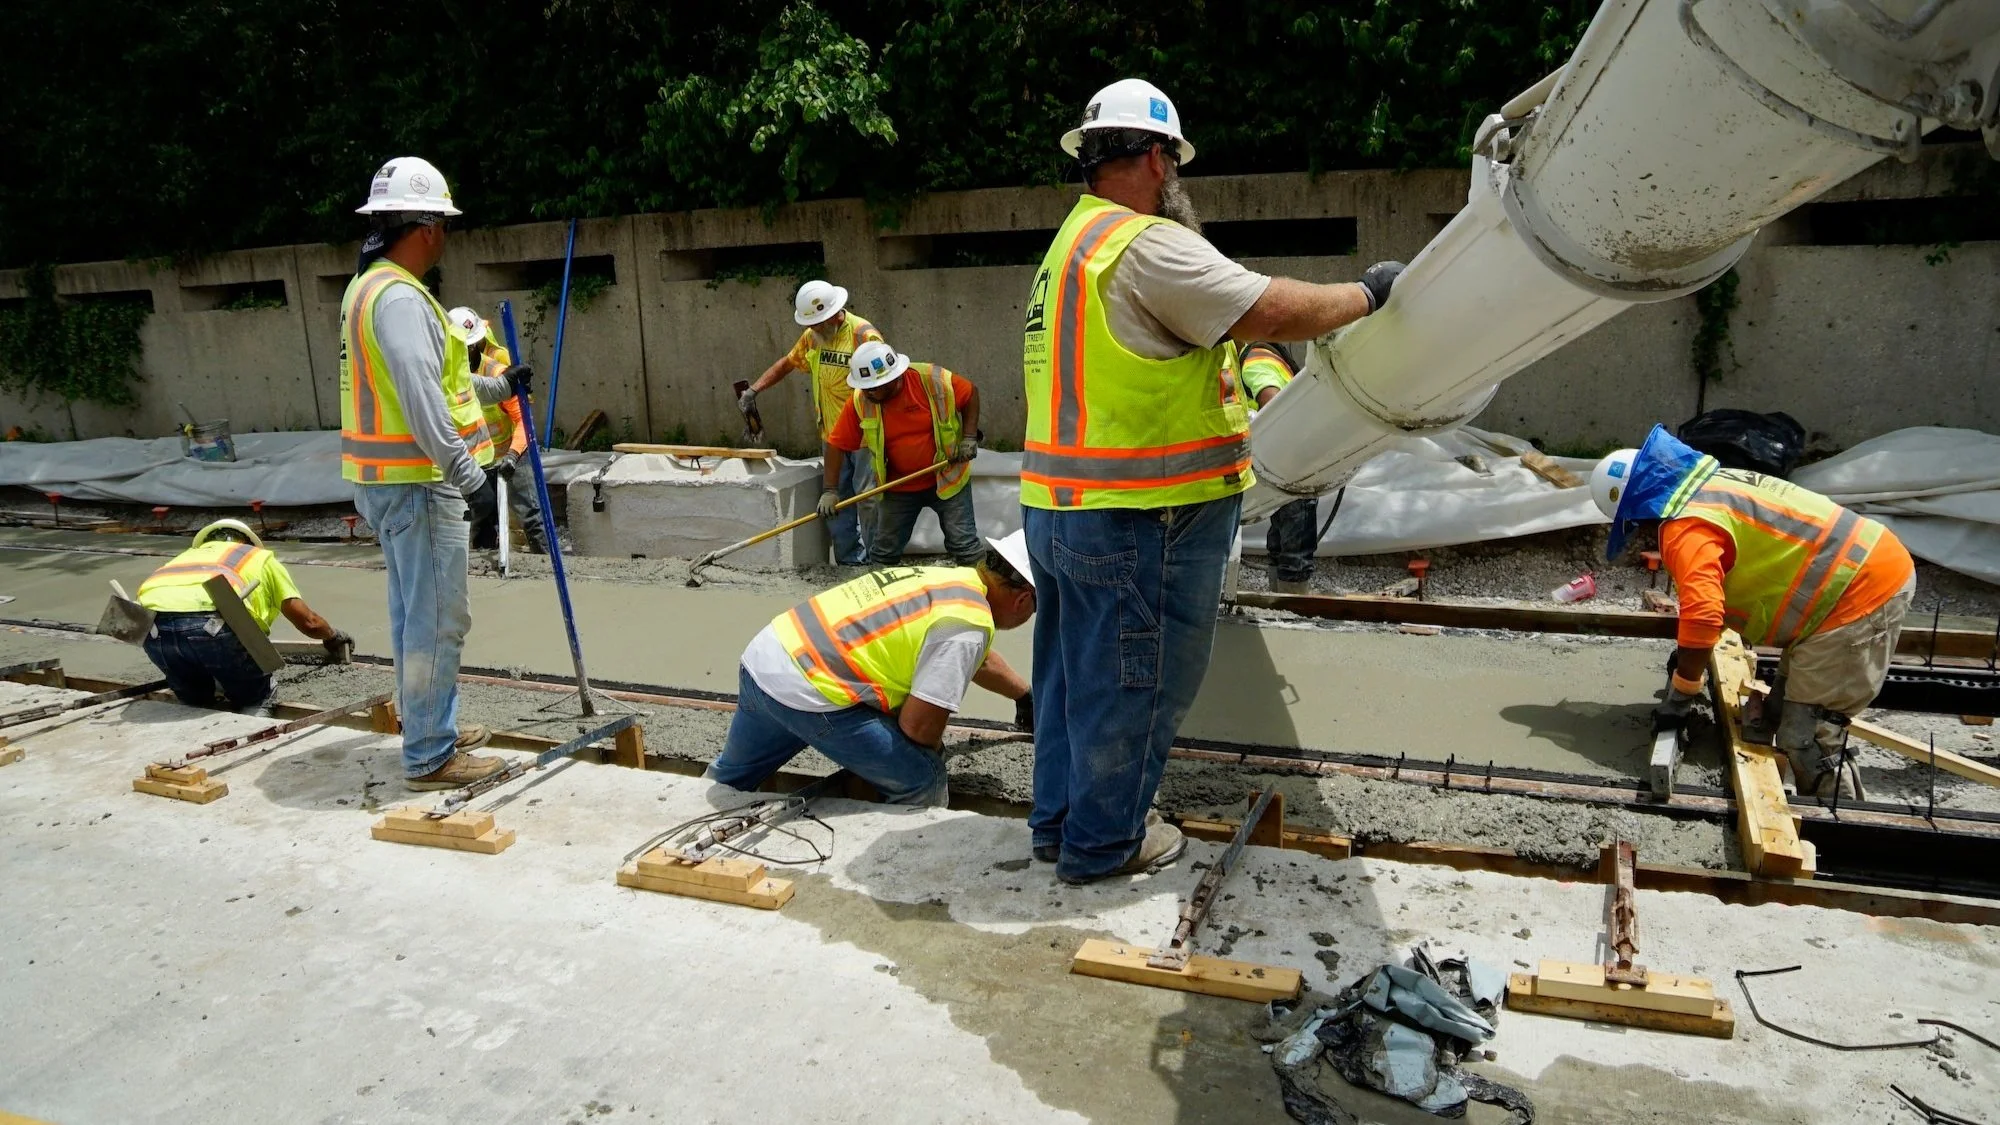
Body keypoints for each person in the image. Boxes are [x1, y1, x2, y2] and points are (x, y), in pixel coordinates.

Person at [1022, 78, 1404, 884]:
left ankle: (1060, 827)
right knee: (1138, 684)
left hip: (1061, 511)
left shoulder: (1070, 249)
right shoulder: (1147, 244)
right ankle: (1104, 844)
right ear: (1160, 159)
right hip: (1142, 519)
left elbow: (1208, 351)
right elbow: (1267, 309)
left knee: (1069, 682)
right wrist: (1367, 295)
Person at [1592, 424, 1916, 797]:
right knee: (1779, 710)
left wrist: (1682, 693)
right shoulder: (1714, 486)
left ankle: (1841, 833)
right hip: (1848, 585)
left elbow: (1703, 615)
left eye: (1636, 525)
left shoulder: (1685, 527)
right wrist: (1688, 656)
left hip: (1860, 593)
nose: (1643, 533)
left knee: (1807, 735)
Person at [340, 156, 529, 791]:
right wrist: (469, 480)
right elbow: (422, 399)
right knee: (437, 619)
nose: (445, 237)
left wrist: (496, 384)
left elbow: (441, 384)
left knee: (413, 614)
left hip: (394, 483)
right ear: (425, 228)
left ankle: (430, 726)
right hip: (419, 483)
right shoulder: (397, 298)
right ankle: (430, 753)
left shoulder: (372, 288)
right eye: (443, 225)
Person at [706, 531, 1038, 806]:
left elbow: (975, 658)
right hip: (811, 692)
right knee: (924, 778)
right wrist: (922, 754)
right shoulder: (966, 625)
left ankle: (684, 806)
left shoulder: (952, 581)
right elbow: (918, 728)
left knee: (730, 780)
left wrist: (1023, 695)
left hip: (767, 657)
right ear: (1023, 599)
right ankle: (894, 862)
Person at [737, 280, 885, 564]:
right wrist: (753, 391)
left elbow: (885, 385)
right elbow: (789, 362)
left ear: (835, 312)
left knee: (869, 501)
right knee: (834, 502)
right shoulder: (813, 336)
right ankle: (849, 565)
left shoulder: (864, 336)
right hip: (832, 437)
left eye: (819, 322)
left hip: (866, 438)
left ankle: (877, 564)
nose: (814, 328)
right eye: (811, 323)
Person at [136, 519, 351, 715]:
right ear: (248, 542)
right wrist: (333, 637)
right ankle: (252, 729)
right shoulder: (258, 557)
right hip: (211, 629)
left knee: (195, 700)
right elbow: (309, 622)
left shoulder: (184, 557)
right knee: (256, 695)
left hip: (152, 631)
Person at [823, 340, 983, 567]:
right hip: (898, 486)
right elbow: (836, 444)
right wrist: (830, 490)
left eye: (873, 388)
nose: (867, 392)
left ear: (894, 379)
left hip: (947, 477)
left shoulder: (932, 381)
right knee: (883, 554)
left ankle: (987, 595)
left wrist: (969, 437)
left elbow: (971, 393)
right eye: (864, 387)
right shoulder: (862, 401)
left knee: (964, 546)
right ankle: (883, 600)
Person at [447, 306, 547, 554]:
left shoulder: (496, 372)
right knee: (481, 519)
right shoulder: (449, 376)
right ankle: (484, 566)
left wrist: (513, 456)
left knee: (531, 515)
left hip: (514, 452)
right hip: (480, 460)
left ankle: (545, 563)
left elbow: (524, 420)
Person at [1241, 342, 1319, 594]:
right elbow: (1270, 398)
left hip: (1278, 465)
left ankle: (1280, 598)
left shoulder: (1272, 359)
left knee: (1280, 539)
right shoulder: (1261, 358)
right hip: (1290, 464)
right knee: (1296, 546)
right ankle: (1293, 601)